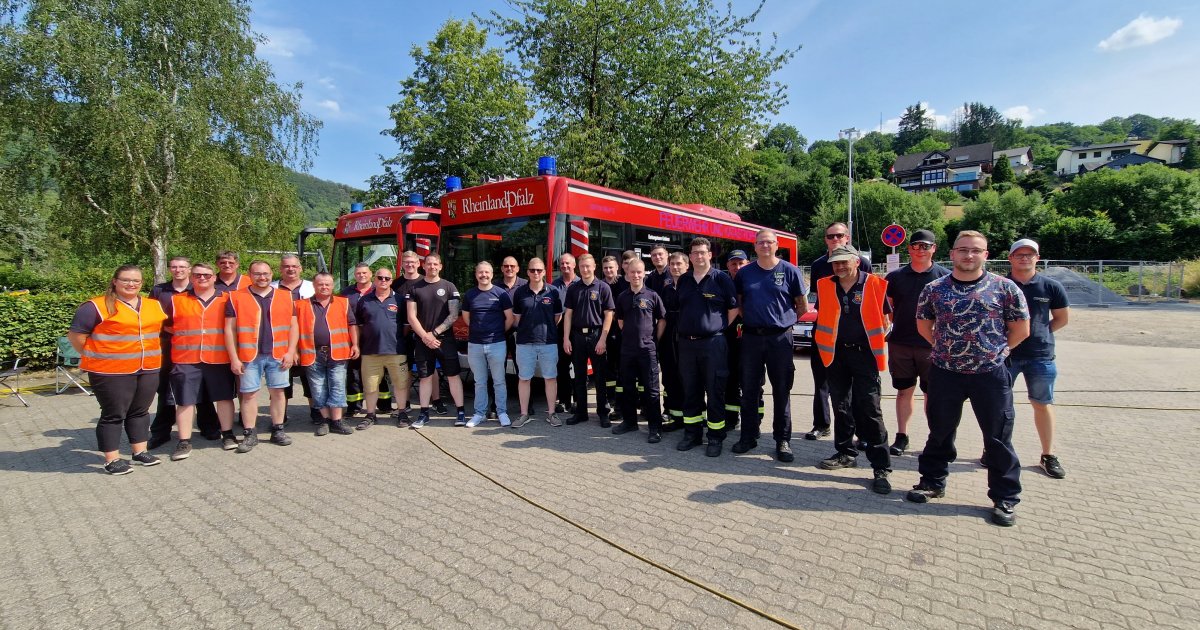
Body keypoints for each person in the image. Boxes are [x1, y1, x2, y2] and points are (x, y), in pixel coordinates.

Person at [907, 230, 1030, 527]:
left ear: (986, 254)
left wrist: (993, 352)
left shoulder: (1005, 288)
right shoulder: (935, 289)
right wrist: (944, 349)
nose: (969, 255)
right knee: (940, 431)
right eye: (963, 250)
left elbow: (1021, 329)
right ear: (952, 254)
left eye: (976, 250)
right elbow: (924, 325)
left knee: (998, 438)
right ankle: (932, 482)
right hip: (945, 372)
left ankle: (1004, 497)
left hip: (990, 374)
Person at [68, 265, 169, 474]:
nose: (131, 284)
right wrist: (93, 355)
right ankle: (111, 459)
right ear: (115, 281)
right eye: (126, 280)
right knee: (113, 414)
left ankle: (139, 451)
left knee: (140, 411)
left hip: (148, 367)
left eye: (136, 281)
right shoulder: (95, 306)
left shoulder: (153, 305)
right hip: (110, 370)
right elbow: (77, 336)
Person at [813, 245, 894, 494]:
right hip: (835, 355)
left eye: (843, 262)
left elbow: (886, 320)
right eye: (835, 263)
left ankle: (881, 466)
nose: (839, 267)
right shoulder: (825, 285)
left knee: (870, 409)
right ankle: (845, 452)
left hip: (865, 355)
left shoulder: (875, 284)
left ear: (856, 262)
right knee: (841, 406)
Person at [732, 229, 809, 463]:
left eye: (769, 242)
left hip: (780, 339)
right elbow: (740, 304)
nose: (765, 246)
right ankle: (748, 436)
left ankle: (782, 440)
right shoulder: (745, 273)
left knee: (782, 390)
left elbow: (802, 305)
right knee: (750, 390)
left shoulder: (790, 271)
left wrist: (782, 322)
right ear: (754, 247)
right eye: (760, 243)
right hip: (752, 338)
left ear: (777, 245)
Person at [1006, 238, 1070, 479]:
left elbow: (1062, 318)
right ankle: (995, 449)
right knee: (1000, 407)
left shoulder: (1051, 287)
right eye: (1019, 254)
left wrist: (1041, 333)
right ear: (1010, 258)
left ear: (1037, 258)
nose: (1024, 258)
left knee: (1042, 404)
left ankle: (1048, 455)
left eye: (1029, 254)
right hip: (1006, 355)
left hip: (1040, 356)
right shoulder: (1000, 285)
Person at [883, 229, 949, 456]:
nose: (920, 250)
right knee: (904, 392)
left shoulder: (945, 278)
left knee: (933, 394)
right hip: (900, 343)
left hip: (932, 346)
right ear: (909, 249)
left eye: (925, 246)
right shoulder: (895, 277)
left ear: (934, 248)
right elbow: (889, 310)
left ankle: (936, 439)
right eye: (916, 245)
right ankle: (902, 436)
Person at [164, 263, 240, 458]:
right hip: (186, 358)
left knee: (224, 397)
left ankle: (228, 434)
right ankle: (184, 442)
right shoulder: (176, 300)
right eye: (198, 275)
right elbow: (165, 325)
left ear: (214, 277)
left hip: (219, 358)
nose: (202, 278)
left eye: (206, 275)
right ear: (191, 277)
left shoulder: (228, 299)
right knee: (185, 401)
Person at [805, 222, 871, 441]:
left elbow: (871, 296)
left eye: (839, 235)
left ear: (847, 237)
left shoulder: (863, 262)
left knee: (855, 388)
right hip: (825, 330)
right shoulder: (818, 265)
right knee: (821, 381)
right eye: (830, 236)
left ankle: (859, 431)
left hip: (854, 334)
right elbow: (818, 299)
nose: (835, 239)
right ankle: (821, 424)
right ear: (825, 239)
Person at [673, 238, 738, 457]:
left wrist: (716, 328)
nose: (699, 256)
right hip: (687, 344)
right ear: (689, 257)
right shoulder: (684, 280)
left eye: (703, 252)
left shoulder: (721, 279)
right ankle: (692, 434)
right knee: (690, 390)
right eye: (695, 253)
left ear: (710, 255)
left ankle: (715, 437)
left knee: (715, 390)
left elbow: (733, 309)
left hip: (713, 344)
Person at [224, 260, 299, 452]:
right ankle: (250, 434)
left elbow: (294, 327)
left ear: (272, 274)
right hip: (249, 356)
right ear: (249, 275)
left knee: (278, 393)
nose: (262, 277)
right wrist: (234, 358)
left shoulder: (285, 296)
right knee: (248, 395)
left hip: (278, 354)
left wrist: (291, 351)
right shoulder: (236, 297)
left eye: (265, 273)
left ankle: (278, 430)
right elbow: (229, 330)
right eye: (257, 274)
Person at [406, 253, 465, 428]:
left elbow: (453, 315)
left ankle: (461, 412)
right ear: (423, 266)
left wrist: (435, 333)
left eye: (435, 264)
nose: (432, 267)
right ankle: (424, 414)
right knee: (425, 377)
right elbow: (411, 316)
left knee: (453, 376)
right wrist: (426, 336)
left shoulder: (449, 287)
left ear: (440, 266)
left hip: (445, 340)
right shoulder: (415, 288)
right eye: (429, 264)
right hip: (423, 341)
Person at [298, 272, 360, 436]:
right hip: (312, 353)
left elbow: (352, 325)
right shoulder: (300, 305)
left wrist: (355, 345)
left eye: (327, 284)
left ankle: (337, 421)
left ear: (333, 286)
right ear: (314, 285)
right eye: (320, 284)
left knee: (337, 386)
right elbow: (293, 329)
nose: (324, 287)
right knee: (318, 389)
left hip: (338, 352)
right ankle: (324, 421)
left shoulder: (343, 302)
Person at [612, 258, 667, 443]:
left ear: (644, 273)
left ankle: (655, 427)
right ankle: (629, 422)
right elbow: (620, 321)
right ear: (627, 275)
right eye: (632, 272)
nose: (635, 275)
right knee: (628, 388)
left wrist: (652, 340)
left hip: (647, 351)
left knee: (651, 391)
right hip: (627, 350)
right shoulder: (622, 297)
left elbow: (662, 319)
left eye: (639, 272)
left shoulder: (652, 295)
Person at [354, 266, 410, 429]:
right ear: (375, 279)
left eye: (387, 278)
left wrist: (393, 337)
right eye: (380, 278)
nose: (383, 281)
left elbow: (406, 326)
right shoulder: (364, 300)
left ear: (391, 281)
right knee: (370, 386)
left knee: (400, 384)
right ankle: (371, 415)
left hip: (396, 351)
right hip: (370, 351)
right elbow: (360, 325)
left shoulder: (400, 300)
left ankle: (402, 413)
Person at [562, 253, 615, 426]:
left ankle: (602, 413)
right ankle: (581, 413)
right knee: (579, 377)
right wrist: (566, 338)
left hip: (596, 335)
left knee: (600, 377)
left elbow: (609, 314)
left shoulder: (602, 287)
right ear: (578, 267)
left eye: (588, 266)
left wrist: (603, 339)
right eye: (582, 266)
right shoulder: (573, 288)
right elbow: (568, 315)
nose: (585, 269)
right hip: (577, 336)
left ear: (594, 267)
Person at [511, 258, 564, 428]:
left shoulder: (553, 292)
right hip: (524, 343)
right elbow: (517, 318)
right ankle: (524, 414)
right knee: (524, 378)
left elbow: (557, 317)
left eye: (539, 270)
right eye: (532, 270)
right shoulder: (519, 292)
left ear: (544, 272)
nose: (536, 273)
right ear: (527, 272)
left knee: (550, 378)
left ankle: (551, 413)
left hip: (548, 342)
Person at [147, 256, 193, 448]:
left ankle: (209, 425)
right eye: (174, 267)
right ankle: (161, 431)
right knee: (165, 388)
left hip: (193, 345)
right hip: (167, 345)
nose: (178, 270)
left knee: (196, 386)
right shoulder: (159, 291)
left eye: (182, 266)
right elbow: (150, 317)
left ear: (189, 269)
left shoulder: (197, 288)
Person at [463, 261, 514, 427]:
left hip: (497, 343)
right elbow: (466, 318)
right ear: (476, 274)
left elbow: (510, 319)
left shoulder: (501, 294)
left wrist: (497, 332)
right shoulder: (470, 295)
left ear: (492, 274)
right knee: (479, 381)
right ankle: (479, 414)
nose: (483, 275)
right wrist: (479, 331)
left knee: (499, 380)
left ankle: (502, 412)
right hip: (475, 345)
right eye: (480, 272)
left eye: (487, 272)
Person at [273, 254, 317, 422]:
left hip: (308, 343)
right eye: (286, 266)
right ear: (280, 269)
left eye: (294, 266)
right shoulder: (272, 288)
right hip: (281, 344)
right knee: (281, 384)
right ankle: (280, 418)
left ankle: (316, 414)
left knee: (311, 382)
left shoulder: (312, 288)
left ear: (300, 268)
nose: (290, 269)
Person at [722, 250, 756, 433]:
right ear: (727, 266)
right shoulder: (723, 283)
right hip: (729, 342)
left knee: (753, 383)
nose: (737, 267)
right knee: (730, 382)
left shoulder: (754, 282)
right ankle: (731, 418)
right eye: (733, 264)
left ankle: (755, 421)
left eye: (740, 263)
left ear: (747, 263)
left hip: (752, 340)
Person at [340, 262, 376, 417]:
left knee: (377, 373)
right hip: (353, 338)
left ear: (371, 274)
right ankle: (354, 406)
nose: (361, 275)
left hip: (373, 338)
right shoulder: (346, 293)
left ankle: (384, 404)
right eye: (358, 273)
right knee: (353, 373)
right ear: (354, 275)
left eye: (364, 273)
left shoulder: (379, 289)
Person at [658, 252, 688, 429]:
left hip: (687, 336)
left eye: (679, 264)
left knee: (689, 377)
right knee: (670, 376)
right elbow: (662, 316)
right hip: (669, 336)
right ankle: (675, 416)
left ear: (686, 266)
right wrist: (657, 340)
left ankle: (693, 416)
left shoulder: (693, 286)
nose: (675, 267)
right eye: (673, 264)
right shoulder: (666, 288)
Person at [600, 255, 629, 420]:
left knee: (621, 367)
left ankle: (621, 401)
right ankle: (610, 397)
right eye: (605, 268)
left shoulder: (624, 283)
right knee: (609, 367)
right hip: (605, 331)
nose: (608, 271)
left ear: (617, 267)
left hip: (621, 332)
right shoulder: (600, 285)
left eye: (611, 267)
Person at [551, 252, 579, 415]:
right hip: (560, 331)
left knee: (579, 366)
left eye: (568, 263)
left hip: (578, 330)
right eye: (562, 263)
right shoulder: (554, 286)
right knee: (561, 367)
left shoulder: (580, 283)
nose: (565, 266)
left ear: (574, 265)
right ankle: (563, 400)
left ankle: (577, 400)